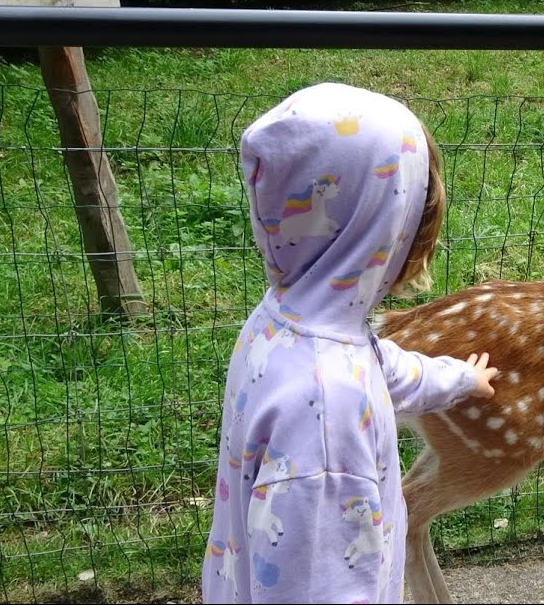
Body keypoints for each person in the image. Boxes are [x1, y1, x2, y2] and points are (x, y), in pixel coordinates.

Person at [200, 82, 498, 603]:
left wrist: (459, 380)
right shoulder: (327, 422)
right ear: (385, 228)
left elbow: (384, 368)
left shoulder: (289, 319)